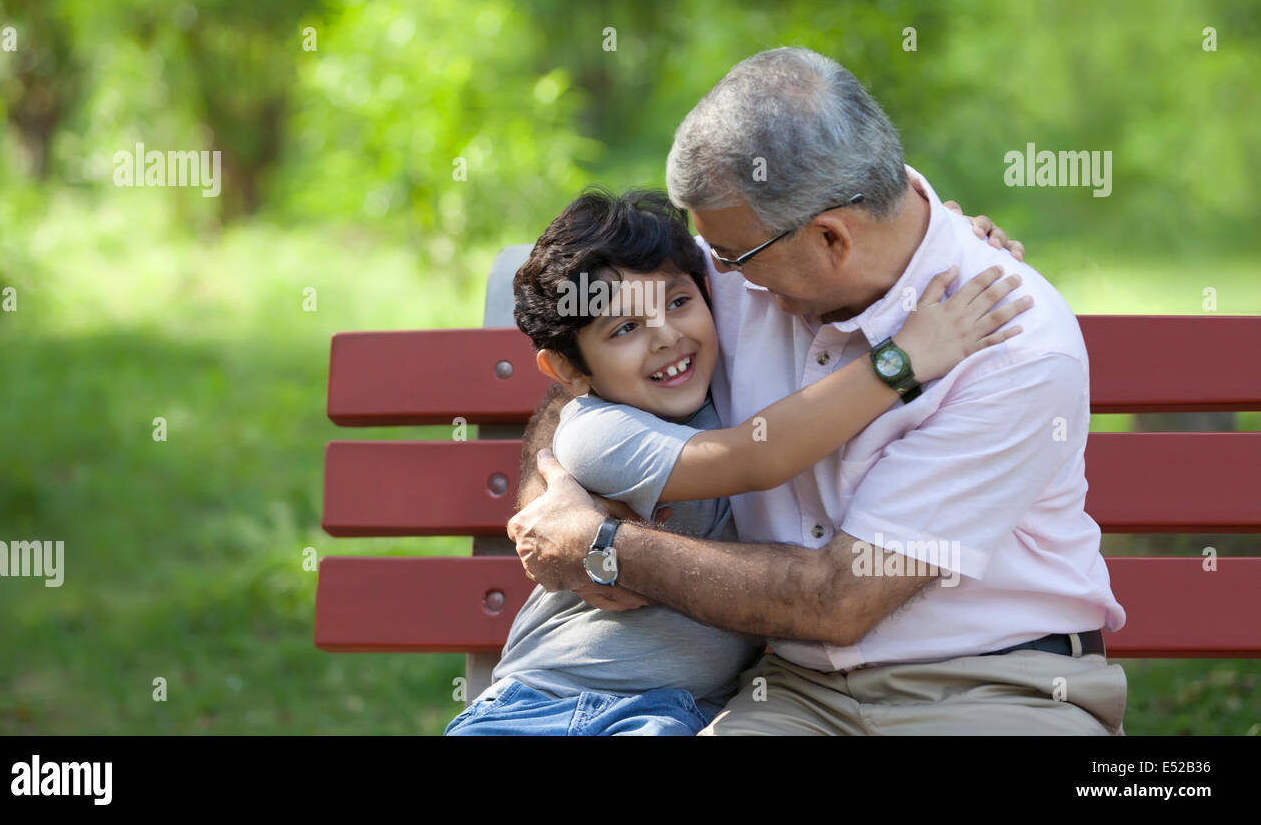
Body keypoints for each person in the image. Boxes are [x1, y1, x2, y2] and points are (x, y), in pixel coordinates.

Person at [508, 47, 1128, 735]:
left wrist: (602, 544)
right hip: (794, 695)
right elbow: (589, 381)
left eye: (731, 258)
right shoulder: (741, 265)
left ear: (832, 238)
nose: (714, 273)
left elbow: (838, 600)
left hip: (996, 688)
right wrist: (552, 494)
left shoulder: (1009, 341)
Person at [446, 187, 1030, 735]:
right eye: (624, 328)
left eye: (679, 302)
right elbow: (761, 455)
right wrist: (902, 362)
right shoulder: (598, 434)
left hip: (681, 713)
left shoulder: (705, 387)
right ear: (570, 371)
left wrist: (933, 246)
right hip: (557, 704)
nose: (666, 336)